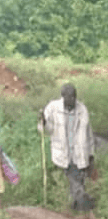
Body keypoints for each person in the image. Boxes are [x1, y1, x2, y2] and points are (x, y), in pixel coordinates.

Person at [38, 83, 95, 212]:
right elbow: (47, 130)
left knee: (77, 181)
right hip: (63, 153)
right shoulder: (53, 108)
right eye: (69, 97)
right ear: (63, 96)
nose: (72, 99)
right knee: (74, 182)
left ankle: (77, 206)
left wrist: (91, 154)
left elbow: (89, 133)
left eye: (74, 96)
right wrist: (44, 122)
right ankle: (83, 205)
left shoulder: (82, 109)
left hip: (79, 153)